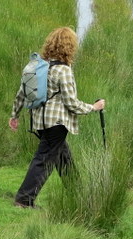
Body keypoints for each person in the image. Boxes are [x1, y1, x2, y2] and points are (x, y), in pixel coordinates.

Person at [8, 27, 105, 208]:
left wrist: (15, 115)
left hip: (39, 121)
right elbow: (71, 103)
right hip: (57, 123)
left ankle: (77, 193)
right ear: (69, 47)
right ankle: (24, 199)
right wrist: (93, 107)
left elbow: (21, 93)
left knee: (62, 156)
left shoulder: (37, 67)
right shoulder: (63, 70)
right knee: (44, 159)